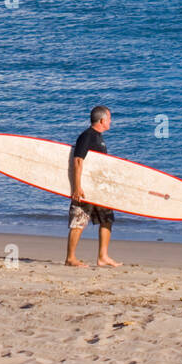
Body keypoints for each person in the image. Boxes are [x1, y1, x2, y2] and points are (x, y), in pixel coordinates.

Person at [65, 105, 120, 267]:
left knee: (107, 219)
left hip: (98, 188)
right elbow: (77, 160)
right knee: (79, 220)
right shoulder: (87, 136)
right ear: (102, 120)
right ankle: (70, 258)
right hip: (85, 188)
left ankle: (103, 257)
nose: (111, 121)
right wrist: (77, 187)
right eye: (109, 118)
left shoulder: (98, 137)